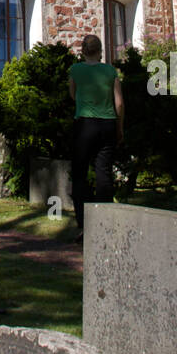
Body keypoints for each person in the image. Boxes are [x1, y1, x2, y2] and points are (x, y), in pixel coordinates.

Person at [68, 34, 124, 241]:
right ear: (100, 51)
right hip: (107, 124)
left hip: (85, 124)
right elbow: (119, 103)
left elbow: (72, 94)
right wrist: (120, 127)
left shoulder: (76, 70)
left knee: (80, 175)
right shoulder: (110, 71)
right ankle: (104, 222)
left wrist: (85, 101)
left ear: (83, 51)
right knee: (104, 173)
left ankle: (84, 224)